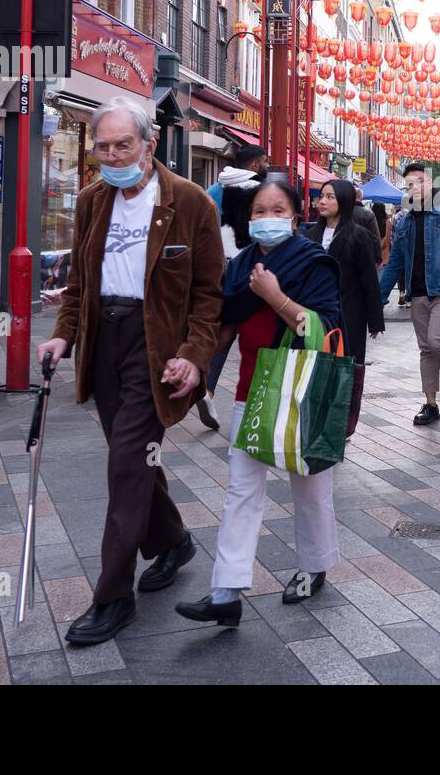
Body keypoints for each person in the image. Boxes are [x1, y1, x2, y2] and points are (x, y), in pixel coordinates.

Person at [36, 97, 223, 646]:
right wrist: (62, 336)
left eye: (125, 144)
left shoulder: (190, 203)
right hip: (105, 344)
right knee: (136, 460)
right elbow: (79, 286)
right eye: (104, 146)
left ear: (150, 143)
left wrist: (194, 354)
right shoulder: (93, 200)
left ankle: (113, 595)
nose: (114, 155)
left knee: (124, 466)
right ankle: (173, 539)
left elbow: (209, 297)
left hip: (156, 350)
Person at [175, 180, 343, 627]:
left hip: (300, 390)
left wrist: (276, 298)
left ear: (293, 217)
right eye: (258, 211)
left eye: (276, 209)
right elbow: (224, 326)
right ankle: (225, 591)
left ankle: (313, 568)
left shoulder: (313, 263)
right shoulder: (240, 266)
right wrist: (197, 372)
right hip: (250, 391)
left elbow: (323, 326)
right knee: (241, 491)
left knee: (309, 487)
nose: (266, 217)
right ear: (248, 219)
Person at [378, 162, 440, 426]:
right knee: (425, 349)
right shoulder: (405, 220)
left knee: (437, 342)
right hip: (418, 292)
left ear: (431, 182)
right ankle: (431, 404)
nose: (415, 187)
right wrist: (380, 295)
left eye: (419, 181)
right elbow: (396, 260)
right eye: (410, 184)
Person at [196, 144, 269, 431]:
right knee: (257, 333)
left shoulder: (215, 189)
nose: (266, 165)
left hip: (220, 268)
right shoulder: (257, 190)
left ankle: (207, 387)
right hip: (251, 268)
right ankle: (258, 401)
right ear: (254, 165)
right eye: (264, 161)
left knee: (224, 332)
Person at [304, 179, 386, 364]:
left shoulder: (358, 236)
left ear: (344, 200)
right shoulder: (310, 236)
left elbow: (369, 280)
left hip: (349, 311)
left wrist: (374, 320)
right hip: (314, 313)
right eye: (322, 196)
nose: (322, 201)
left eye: (330, 197)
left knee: (346, 368)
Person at [353, 183, 383, 265]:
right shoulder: (368, 213)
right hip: (364, 252)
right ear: (361, 197)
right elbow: (375, 236)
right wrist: (378, 257)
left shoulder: (343, 212)